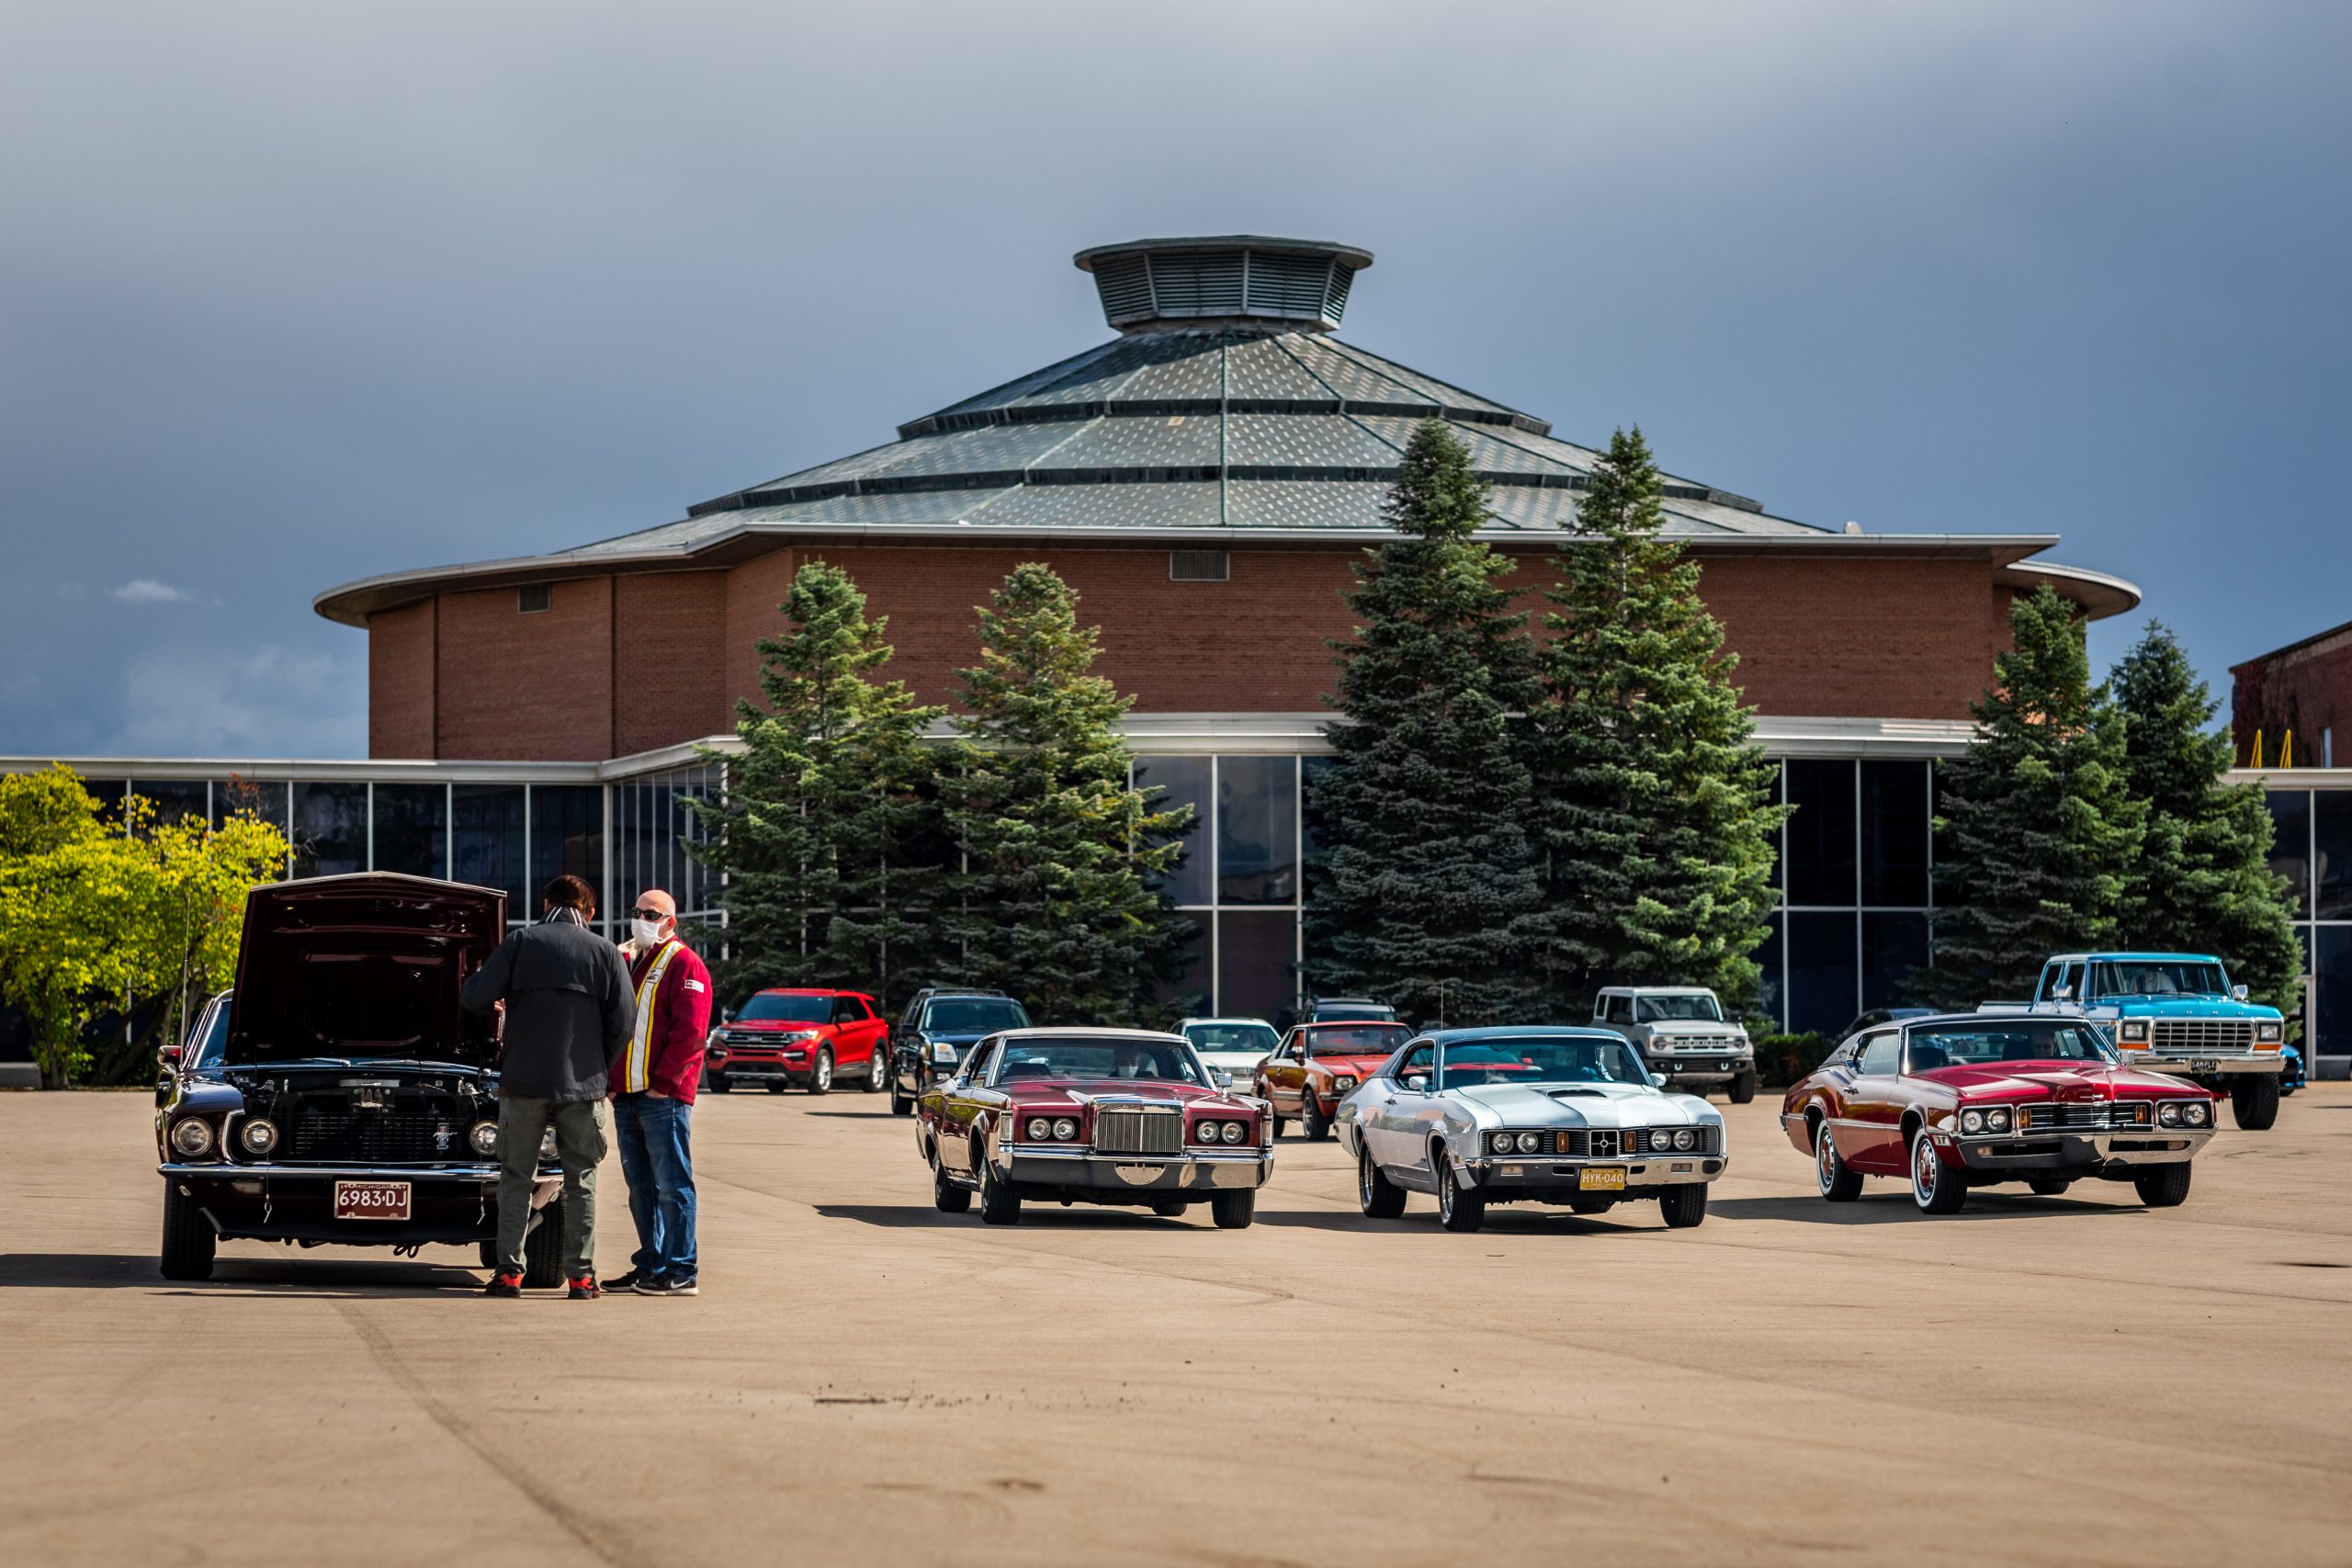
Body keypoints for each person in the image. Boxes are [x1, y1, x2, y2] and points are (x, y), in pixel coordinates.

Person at [460, 874, 633, 1300]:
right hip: (583, 1086)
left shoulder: (521, 943)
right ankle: (581, 1278)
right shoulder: (605, 952)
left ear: (544, 903)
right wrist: (597, 1067)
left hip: (523, 1083)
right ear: (589, 912)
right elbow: (625, 1023)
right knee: (582, 1181)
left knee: (516, 1178)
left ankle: (509, 1275)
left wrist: (500, 997)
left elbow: (476, 998)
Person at [608, 888, 712, 1298]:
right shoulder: (638, 963)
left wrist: (663, 1086)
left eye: (650, 913)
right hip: (630, 1096)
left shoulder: (685, 962)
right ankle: (651, 1266)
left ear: (671, 921)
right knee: (642, 1189)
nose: (640, 919)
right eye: (636, 912)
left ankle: (682, 1269)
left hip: (661, 1099)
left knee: (672, 1185)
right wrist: (616, 1086)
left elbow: (691, 1035)